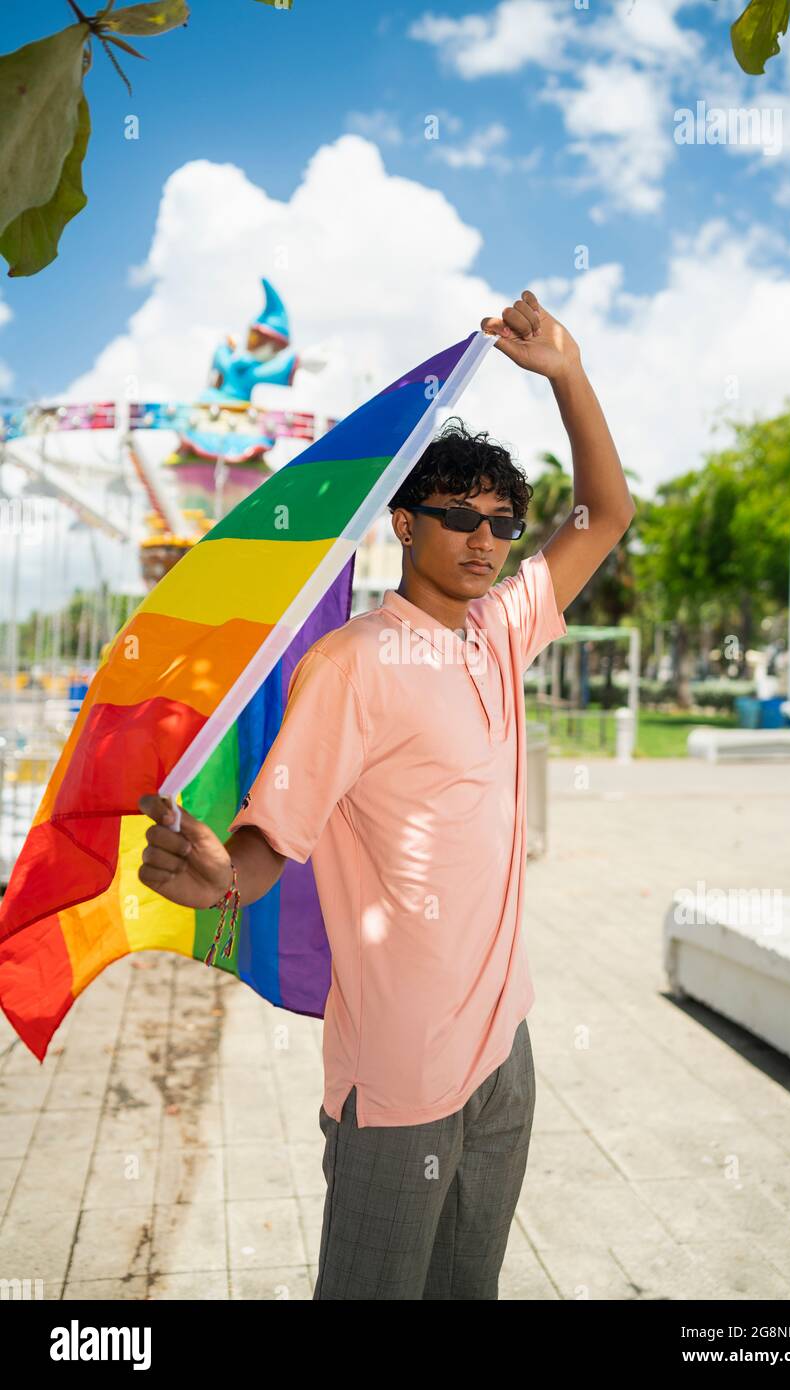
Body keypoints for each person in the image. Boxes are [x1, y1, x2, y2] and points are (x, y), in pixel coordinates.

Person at [137, 290, 635, 1299]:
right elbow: (277, 827)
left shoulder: (501, 630)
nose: (486, 539)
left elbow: (607, 514)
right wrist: (223, 877)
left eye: (502, 522)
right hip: (400, 1070)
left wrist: (569, 372)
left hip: (505, 1044)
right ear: (403, 524)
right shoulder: (354, 661)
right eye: (459, 516)